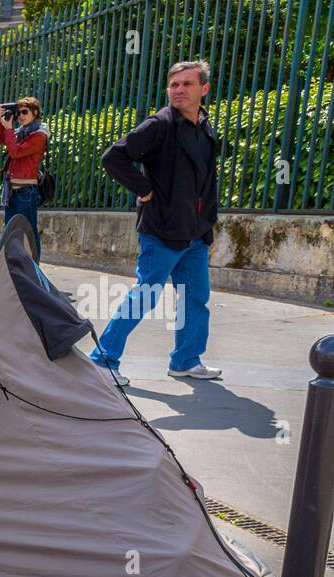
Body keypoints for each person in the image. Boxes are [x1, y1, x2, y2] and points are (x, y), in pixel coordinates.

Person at [90, 60, 223, 386]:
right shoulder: (159, 124)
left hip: (195, 231)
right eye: (174, 84)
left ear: (203, 89)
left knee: (195, 298)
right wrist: (145, 190)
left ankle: (185, 361)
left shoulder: (203, 127)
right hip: (162, 230)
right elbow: (113, 157)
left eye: (186, 84)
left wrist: (207, 221)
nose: (178, 90)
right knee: (145, 295)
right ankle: (102, 362)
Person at [0, 96, 48, 253]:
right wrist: (0, 121)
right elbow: (1, 139)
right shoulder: (20, 132)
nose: (20, 116)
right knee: (11, 233)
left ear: (35, 112)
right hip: (11, 192)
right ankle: (15, 265)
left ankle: (34, 266)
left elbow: (15, 152)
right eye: (19, 113)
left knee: (28, 232)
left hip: (26, 193)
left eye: (25, 112)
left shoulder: (39, 135)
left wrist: (9, 128)